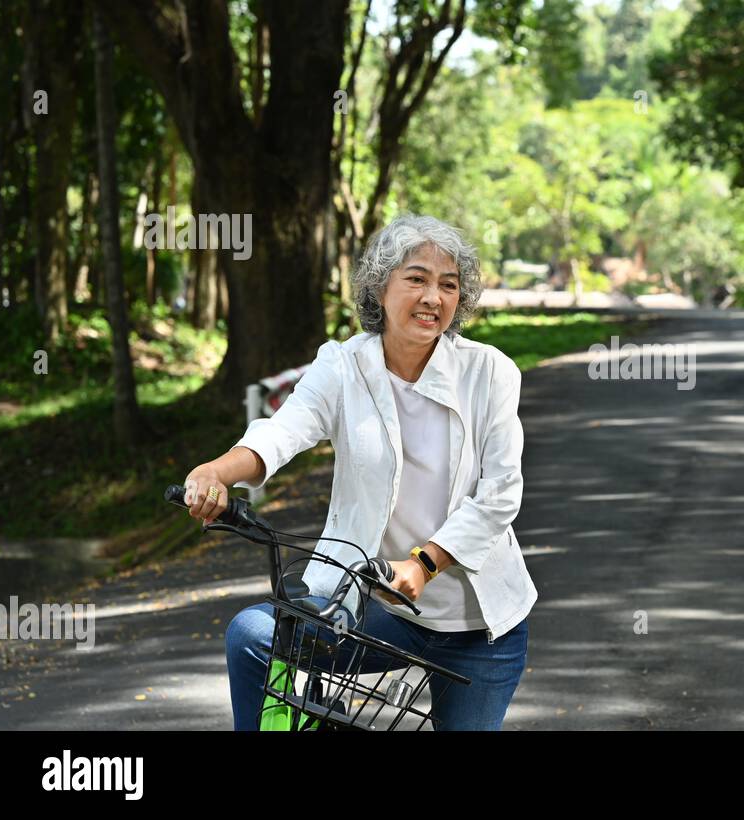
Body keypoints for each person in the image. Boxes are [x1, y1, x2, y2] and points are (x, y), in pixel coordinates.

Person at [182, 214, 536, 730]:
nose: (432, 297)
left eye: (449, 285)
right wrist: (217, 470)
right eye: (416, 278)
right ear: (380, 285)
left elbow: (500, 496)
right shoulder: (344, 365)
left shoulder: (490, 372)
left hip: (478, 626)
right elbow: (284, 432)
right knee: (253, 634)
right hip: (374, 608)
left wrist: (422, 564)